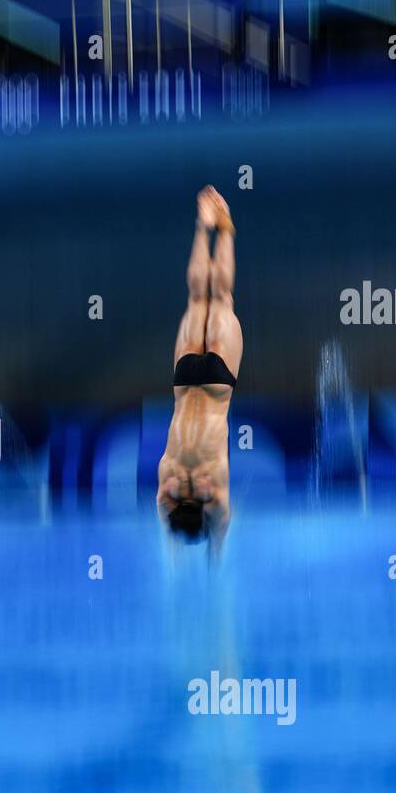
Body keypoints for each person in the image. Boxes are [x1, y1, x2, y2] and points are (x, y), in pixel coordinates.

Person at [157, 187, 243, 548]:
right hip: (199, 385)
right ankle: (214, 227)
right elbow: (219, 519)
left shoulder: (189, 481)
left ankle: (212, 226)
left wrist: (211, 547)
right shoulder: (181, 479)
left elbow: (221, 519)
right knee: (210, 297)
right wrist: (214, 550)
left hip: (199, 385)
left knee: (210, 297)